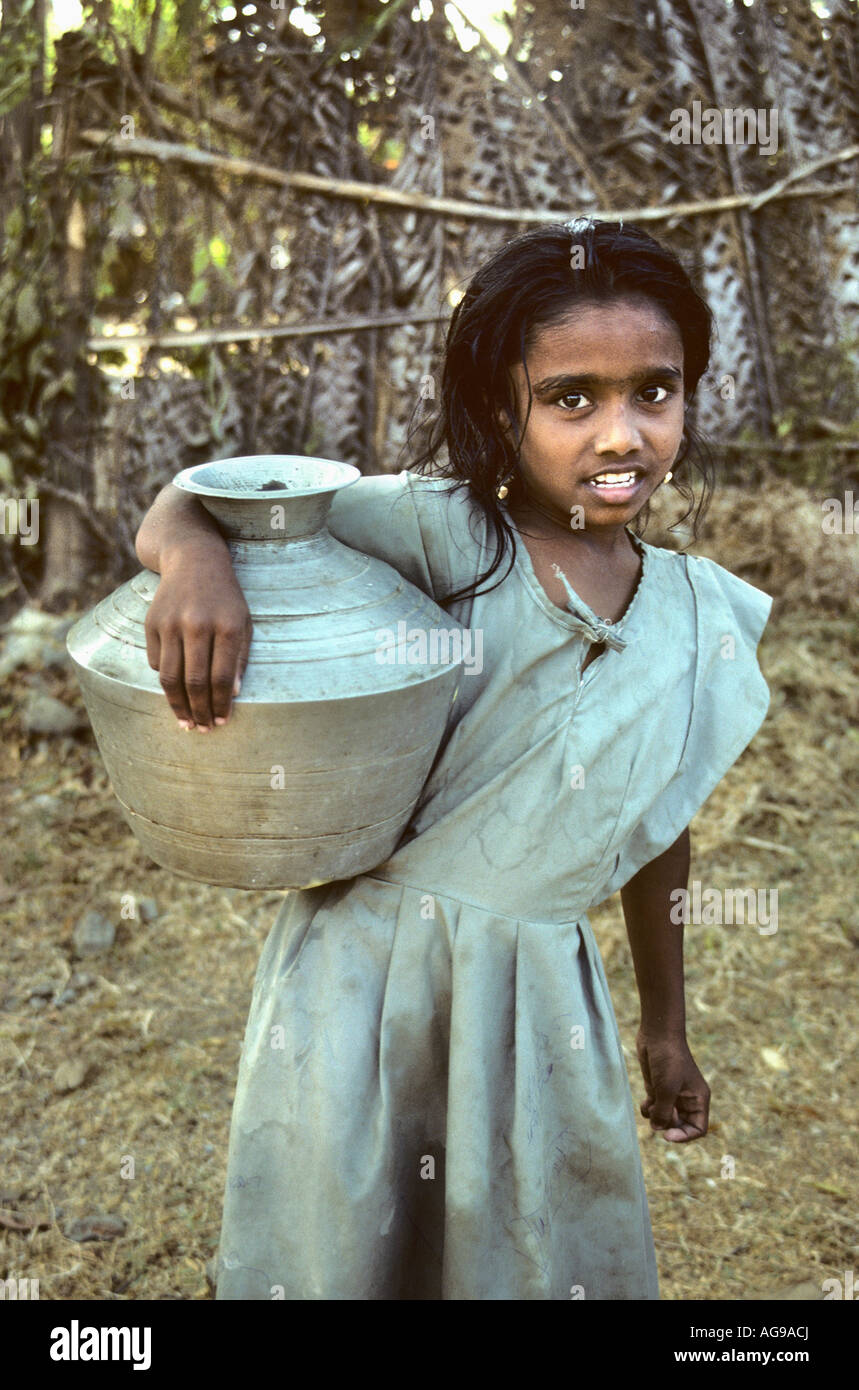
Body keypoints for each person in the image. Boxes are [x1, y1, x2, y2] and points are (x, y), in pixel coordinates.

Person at [134, 218, 772, 1300]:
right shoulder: (447, 539)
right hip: (363, 977)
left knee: (525, 1243)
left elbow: (658, 827)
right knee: (345, 1239)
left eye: (652, 393)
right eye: (572, 398)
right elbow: (197, 501)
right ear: (498, 406)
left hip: (539, 1001)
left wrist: (666, 1027)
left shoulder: (694, 610)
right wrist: (192, 558)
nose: (620, 434)